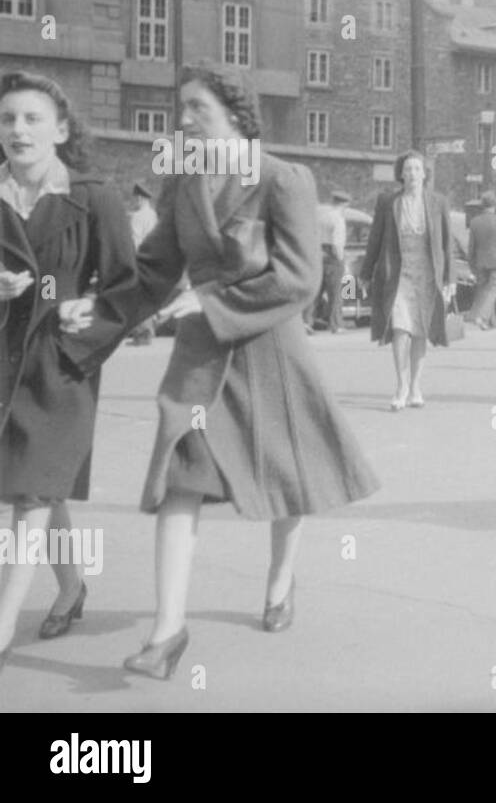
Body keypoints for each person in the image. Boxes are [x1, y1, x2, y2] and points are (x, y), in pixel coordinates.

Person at [59, 62, 381, 679]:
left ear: (235, 114)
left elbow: (299, 279)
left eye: (195, 108)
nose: (182, 120)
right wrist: (100, 308)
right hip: (201, 356)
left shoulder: (284, 179)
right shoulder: (184, 182)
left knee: (289, 473)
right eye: (180, 109)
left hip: (268, 345)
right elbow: (153, 271)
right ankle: (166, 632)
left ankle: (281, 579)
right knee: (181, 477)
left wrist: (208, 302)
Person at [0, 71, 138, 673]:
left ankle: (3, 617)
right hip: (6, 360)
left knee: (30, 488)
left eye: (31, 118)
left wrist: (91, 308)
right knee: (41, 482)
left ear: (60, 130)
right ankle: (71, 586)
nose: (17, 130)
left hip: (62, 363)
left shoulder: (95, 197)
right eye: (7, 119)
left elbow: (127, 288)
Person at [360, 150, 455, 410]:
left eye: (417, 169)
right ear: (401, 174)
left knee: (421, 330)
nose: (412, 173)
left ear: (425, 174)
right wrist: (366, 273)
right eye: (408, 169)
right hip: (398, 274)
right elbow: (375, 240)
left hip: (426, 274)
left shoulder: (438, 202)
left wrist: (450, 279)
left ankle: (416, 386)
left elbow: (446, 244)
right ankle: (400, 386)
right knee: (400, 328)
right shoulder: (388, 202)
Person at [304, 189, 349, 335]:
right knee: (335, 293)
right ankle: (336, 324)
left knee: (316, 292)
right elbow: (337, 243)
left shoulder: (320, 216)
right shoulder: (338, 219)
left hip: (317, 253)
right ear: (344, 204)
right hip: (332, 255)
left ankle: (306, 322)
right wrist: (341, 259)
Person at [466, 191, 496, 331]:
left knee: (484, 289)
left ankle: (492, 321)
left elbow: (471, 246)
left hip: (480, 262)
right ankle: (483, 317)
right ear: (494, 206)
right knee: (493, 290)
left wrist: (471, 264)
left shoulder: (474, 222)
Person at [128, 182, 159, 345]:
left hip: (139, 259)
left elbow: (134, 240)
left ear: (140, 198)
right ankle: (149, 330)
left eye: (136, 198)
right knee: (148, 295)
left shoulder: (137, 216)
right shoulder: (153, 215)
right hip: (153, 258)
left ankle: (142, 333)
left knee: (137, 295)